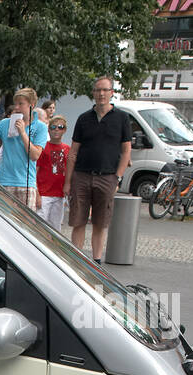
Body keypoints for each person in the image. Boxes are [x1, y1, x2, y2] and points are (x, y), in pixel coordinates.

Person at [65, 76, 131, 264]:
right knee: (78, 220)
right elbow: (73, 151)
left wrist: (117, 178)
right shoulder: (83, 118)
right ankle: (76, 260)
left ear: (111, 92)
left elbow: (126, 151)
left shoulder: (122, 118)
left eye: (105, 90)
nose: (101, 94)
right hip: (82, 175)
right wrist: (68, 181)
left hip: (107, 176)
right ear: (93, 93)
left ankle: (96, 261)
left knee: (100, 223)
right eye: (97, 90)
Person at [0, 87, 47, 210]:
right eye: (16, 104)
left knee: (25, 226)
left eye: (21, 104)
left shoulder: (40, 127)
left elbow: (35, 155)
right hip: (4, 181)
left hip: (25, 184)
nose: (17, 107)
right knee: (0, 221)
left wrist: (23, 133)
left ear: (31, 105)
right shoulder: (6, 123)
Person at [36, 115, 69, 231]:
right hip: (44, 193)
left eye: (60, 127)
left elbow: (69, 171)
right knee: (39, 225)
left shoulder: (67, 149)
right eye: (53, 127)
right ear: (48, 129)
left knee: (56, 227)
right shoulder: (43, 147)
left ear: (64, 130)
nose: (56, 130)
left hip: (59, 194)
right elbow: (36, 170)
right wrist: (37, 194)